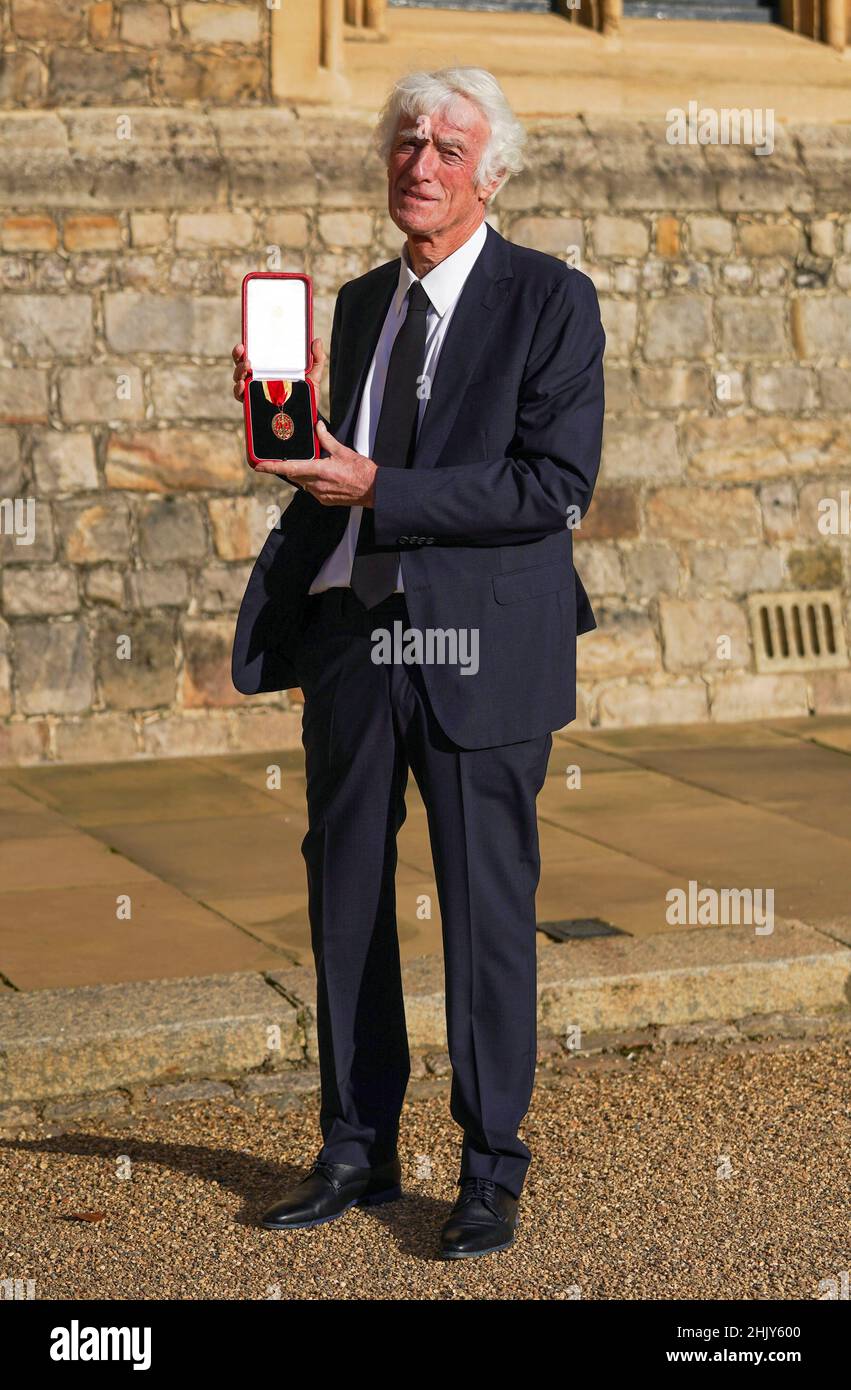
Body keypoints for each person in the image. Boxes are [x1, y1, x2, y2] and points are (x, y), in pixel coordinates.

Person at [231, 66, 605, 1259]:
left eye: (447, 146)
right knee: (343, 891)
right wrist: (290, 446)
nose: (420, 162)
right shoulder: (353, 305)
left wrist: (380, 486)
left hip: (482, 646)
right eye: (405, 141)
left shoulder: (552, 300)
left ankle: (490, 1165)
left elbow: (551, 484)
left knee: (485, 904)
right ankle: (355, 1144)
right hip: (355, 636)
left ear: (490, 175)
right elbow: (343, 467)